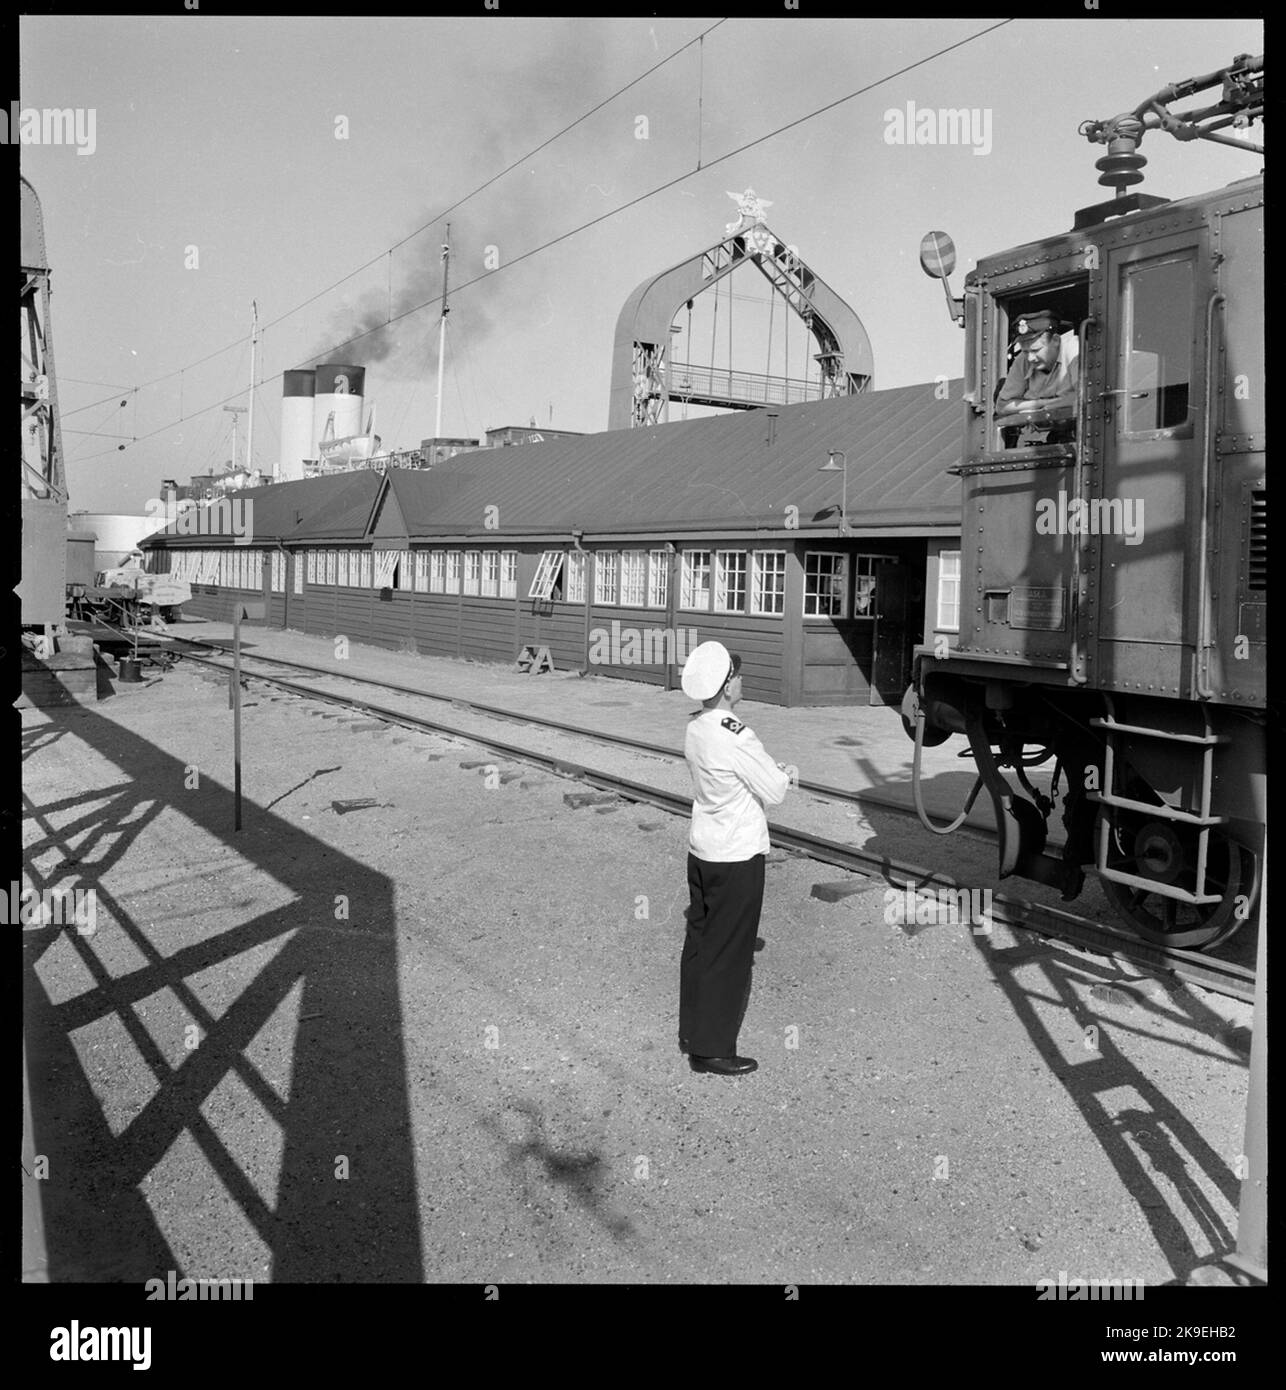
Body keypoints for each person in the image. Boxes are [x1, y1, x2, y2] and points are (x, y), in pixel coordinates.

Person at [678, 640, 792, 1076]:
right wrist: (784, 772)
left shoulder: (696, 727)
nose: (742, 682)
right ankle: (713, 1050)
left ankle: (692, 1032)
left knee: (701, 943)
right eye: (737, 676)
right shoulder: (736, 733)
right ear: (726, 687)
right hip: (736, 856)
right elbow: (775, 790)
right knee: (729, 953)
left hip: (702, 850)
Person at [996, 309, 1079, 445]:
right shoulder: (1023, 359)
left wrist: (1027, 407)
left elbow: (1084, 397)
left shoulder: (1074, 349)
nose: (1030, 358)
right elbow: (1002, 406)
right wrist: (1043, 405)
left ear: (1056, 341)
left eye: (1036, 350)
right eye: (1025, 351)